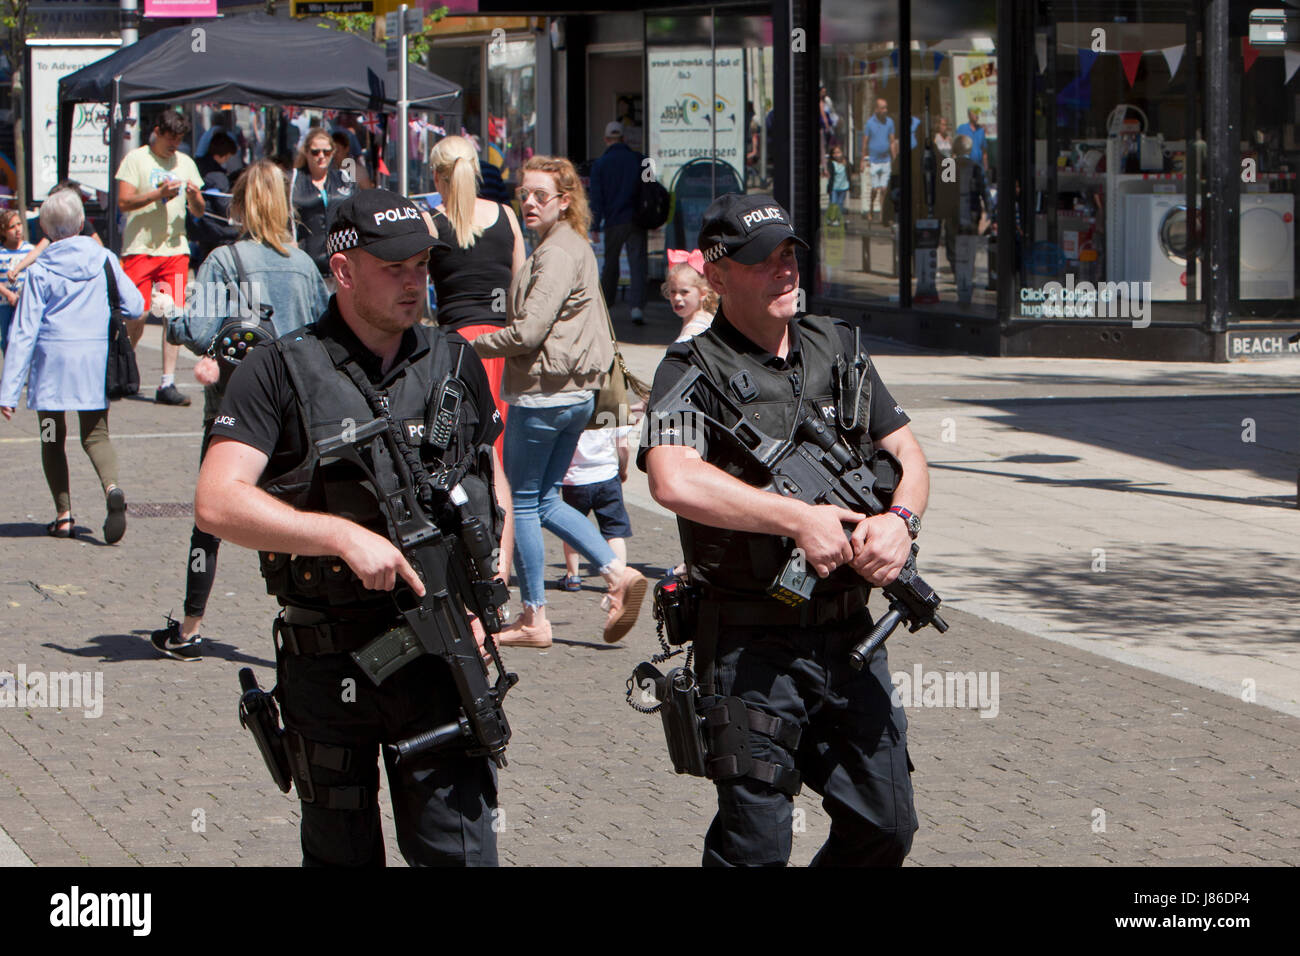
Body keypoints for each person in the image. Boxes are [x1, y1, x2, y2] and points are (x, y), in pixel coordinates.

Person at [193, 188, 510, 867]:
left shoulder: (453, 359)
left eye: (421, 266)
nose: (414, 282)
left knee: (460, 853)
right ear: (342, 270)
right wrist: (338, 535)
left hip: (439, 659)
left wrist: (491, 599)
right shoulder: (278, 368)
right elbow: (216, 501)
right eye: (395, 268)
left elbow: (489, 480)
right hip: (328, 660)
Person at [638, 193, 927, 867]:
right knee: (757, 847)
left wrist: (901, 523)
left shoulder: (839, 346)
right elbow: (672, 479)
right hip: (749, 645)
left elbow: (908, 453)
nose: (784, 269)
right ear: (716, 275)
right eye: (763, 260)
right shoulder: (690, 368)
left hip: (850, 635)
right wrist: (797, 518)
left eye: (790, 254)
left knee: (886, 825)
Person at [149, 159, 330, 662]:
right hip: (295, 408)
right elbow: (323, 335)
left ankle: (189, 627)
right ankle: (310, 623)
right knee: (298, 515)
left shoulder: (223, 261)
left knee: (210, 518)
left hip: (236, 409)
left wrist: (168, 311)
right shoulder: (303, 265)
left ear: (241, 205)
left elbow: (198, 333)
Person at [471, 156, 648, 649]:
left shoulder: (555, 254)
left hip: (544, 394)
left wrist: (470, 345)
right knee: (546, 498)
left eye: (540, 195)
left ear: (564, 201)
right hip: (575, 395)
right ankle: (617, 573)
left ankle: (534, 617)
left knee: (524, 503)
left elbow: (528, 332)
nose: (529, 202)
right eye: (523, 194)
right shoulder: (575, 245)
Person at [0, 189, 145, 542]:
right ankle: (111, 487)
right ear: (82, 222)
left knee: (52, 436)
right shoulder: (104, 259)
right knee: (96, 435)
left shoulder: (40, 269)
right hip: (93, 363)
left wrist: (8, 392)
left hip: (51, 365)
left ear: (46, 229)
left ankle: (63, 515)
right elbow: (136, 305)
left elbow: (23, 332)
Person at [426, 134, 526, 460]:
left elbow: (414, 287)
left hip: (458, 346)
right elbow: (521, 288)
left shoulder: (431, 223)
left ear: (437, 176)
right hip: (505, 344)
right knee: (503, 449)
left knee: (465, 446)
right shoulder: (506, 215)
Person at [115, 110, 205, 407]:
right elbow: (123, 201)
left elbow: (199, 211)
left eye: (178, 140)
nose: (173, 145)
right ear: (157, 132)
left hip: (174, 249)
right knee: (136, 313)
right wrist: (158, 194)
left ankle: (167, 382)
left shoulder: (186, 163)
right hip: (140, 247)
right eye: (169, 139)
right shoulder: (136, 159)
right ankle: (124, 368)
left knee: (172, 314)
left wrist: (194, 196)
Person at [558, 424, 635, 591]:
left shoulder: (569, 407)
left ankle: (573, 576)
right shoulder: (613, 408)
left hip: (574, 480)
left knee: (572, 529)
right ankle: (618, 580)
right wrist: (623, 469)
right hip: (606, 476)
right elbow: (623, 444)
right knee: (614, 531)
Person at [589, 121, 648, 325]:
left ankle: (606, 305)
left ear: (606, 140)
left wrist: (595, 225)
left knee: (610, 264)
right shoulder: (641, 160)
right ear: (624, 139)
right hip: (637, 220)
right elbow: (650, 188)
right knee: (638, 264)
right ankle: (637, 308)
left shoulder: (600, 165)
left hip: (614, 221)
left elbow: (596, 198)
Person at [290, 127, 356, 280]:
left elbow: (355, 216)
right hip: (306, 263)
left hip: (340, 263)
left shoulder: (344, 179)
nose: (321, 156)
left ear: (333, 152)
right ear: (306, 152)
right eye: (315, 152)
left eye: (326, 152)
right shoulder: (293, 180)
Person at [189, 131, 240, 267]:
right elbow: (223, 205)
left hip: (199, 225)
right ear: (223, 155)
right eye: (228, 157)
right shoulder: (217, 176)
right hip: (213, 229)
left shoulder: (198, 165)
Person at [662, 250, 716, 343]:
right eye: (673, 291)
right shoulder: (708, 318)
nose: (677, 298)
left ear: (703, 293)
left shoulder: (691, 334)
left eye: (684, 292)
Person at [0, 209, 34, 354]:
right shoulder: (1, 253)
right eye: (12, 227)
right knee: (7, 339)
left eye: (19, 224)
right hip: (5, 303)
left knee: (24, 337)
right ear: (3, 231)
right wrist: (8, 294)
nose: (17, 229)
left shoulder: (30, 250)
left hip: (24, 301)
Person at [859, 99, 897, 221]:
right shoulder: (870, 123)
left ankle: (882, 213)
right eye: (882, 108)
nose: (885, 110)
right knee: (875, 189)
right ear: (876, 109)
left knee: (885, 189)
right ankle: (871, 207)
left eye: (886, 107)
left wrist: (895, 159)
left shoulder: (890, 122)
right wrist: (862, 160)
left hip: (886, 160)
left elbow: (892, 142)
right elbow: (865, 142)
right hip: (874, 161)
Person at [956, 108, 989, 173]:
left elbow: (984, 152)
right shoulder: (961, 129)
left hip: (978, 168)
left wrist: (986, 168)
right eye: (974, 113)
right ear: (969, 115)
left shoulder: (981, 131)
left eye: (977, 113)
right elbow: (955, 149)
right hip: (965, 168)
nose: (977, 115)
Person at [825, 144, 850, 224]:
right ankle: (830, 219)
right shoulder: (832, 163)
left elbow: (849, 173)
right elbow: (830, 175)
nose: (836, 155)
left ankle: (837, 219)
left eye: (838, 152)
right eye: (834, 153)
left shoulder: (845, 163)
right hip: (834, 187)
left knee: (840, 204)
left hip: (843, 187)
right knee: (833, 202)